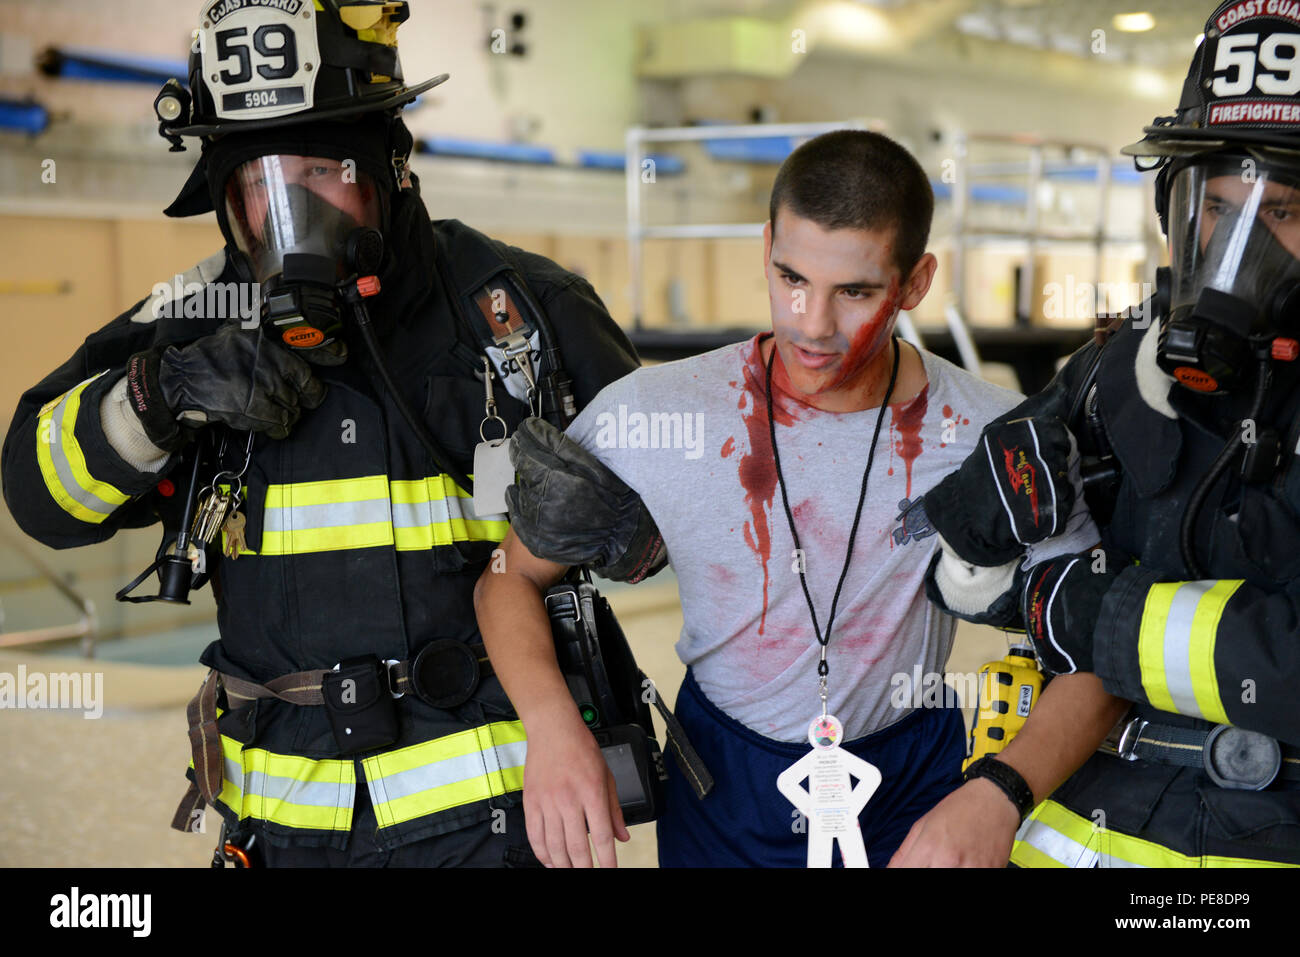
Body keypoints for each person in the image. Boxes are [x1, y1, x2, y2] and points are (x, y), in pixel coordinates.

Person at [0, 0, 638, 867]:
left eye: (321, 170)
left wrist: (622, 525)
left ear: (389, 165)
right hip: (286, 828)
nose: (288, 213)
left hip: (498, 821)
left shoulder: (517, 310)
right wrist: (159, 394)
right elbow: (40, 494)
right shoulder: (193, 323)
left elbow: (670, 516)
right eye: (255, 187)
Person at [476, 129, 1113, 868]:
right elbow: (508, 579)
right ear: (767, 243)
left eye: (855, 291)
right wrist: (554, 730)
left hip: (914, 788)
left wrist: (1002, 789)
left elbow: (1104, 650)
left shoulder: (990, 433)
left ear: (915, 282)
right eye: (791, 278)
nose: (812, 323)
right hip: (720, 783)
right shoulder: (655, 412)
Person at [919, 0, 1300, 867]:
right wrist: (979, 536)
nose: (1237, 248)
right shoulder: (1123, 368)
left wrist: (1095, 617)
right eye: (1217, 206)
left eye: (1277, 213)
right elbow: (964, 585)